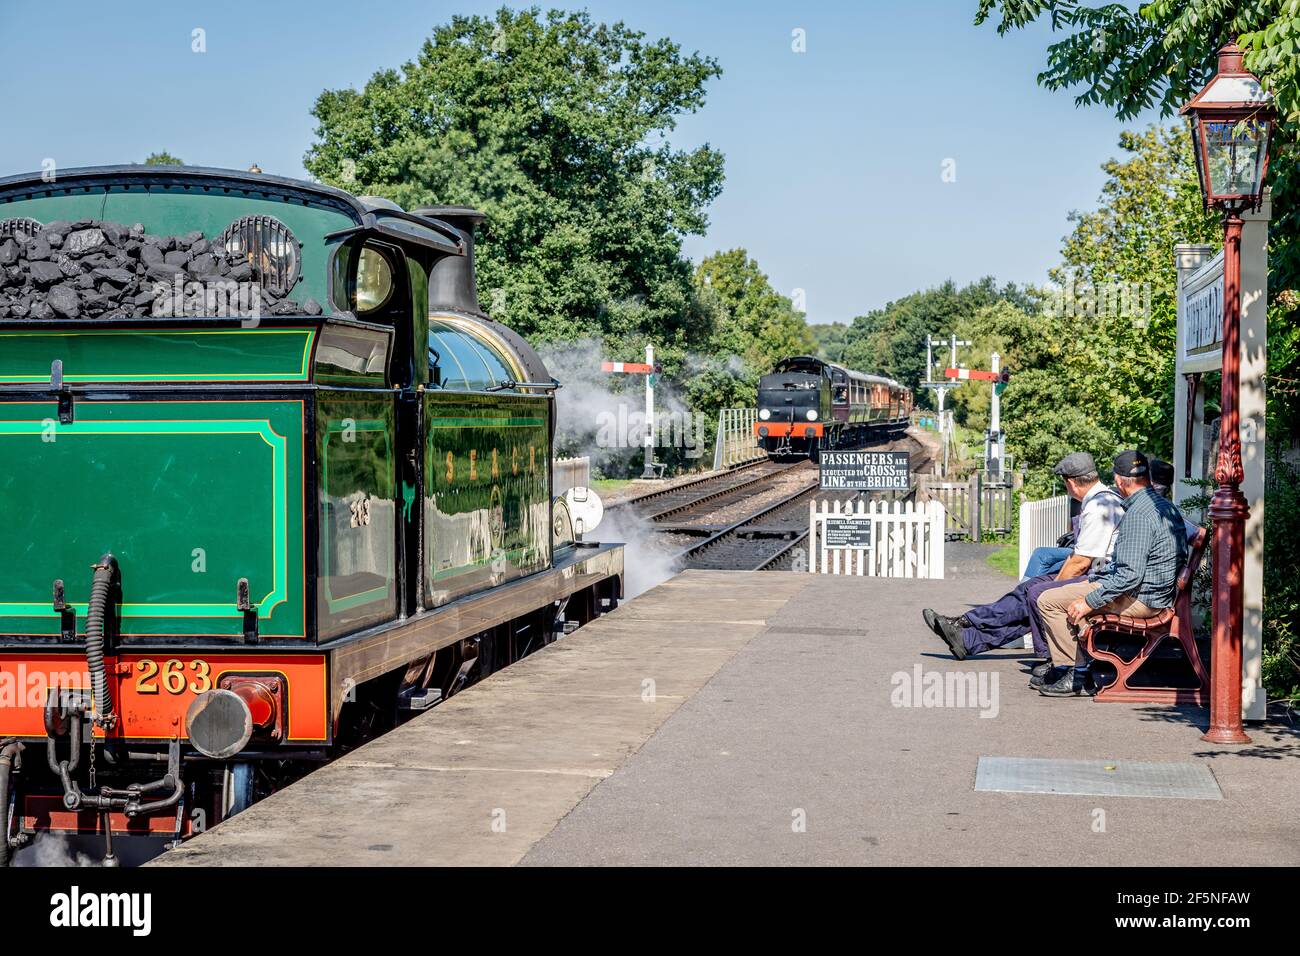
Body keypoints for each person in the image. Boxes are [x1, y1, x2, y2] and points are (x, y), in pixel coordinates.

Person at [922, 451, 1124, 663]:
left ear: (1071, 483)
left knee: (1037, 594)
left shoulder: (1099, 507)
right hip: (1097, 574)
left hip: (1101, 579)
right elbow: (1077, 557)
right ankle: (967, 638)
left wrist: (1054, 588)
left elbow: (1081, 562)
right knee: (1028, 590)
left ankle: (970, 626)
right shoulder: (1102, 500)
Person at [1035, 450, 1189, 698]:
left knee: (1048, 600)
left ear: (1119, 481)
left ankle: (1075, 673)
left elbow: (1129, 577)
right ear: (1146, 477)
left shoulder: (1139, 514)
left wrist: (1089, 601)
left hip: (1143, 600)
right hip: (1153, 592)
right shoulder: (1160, 506)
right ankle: (1078, 665)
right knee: (1063, 593)